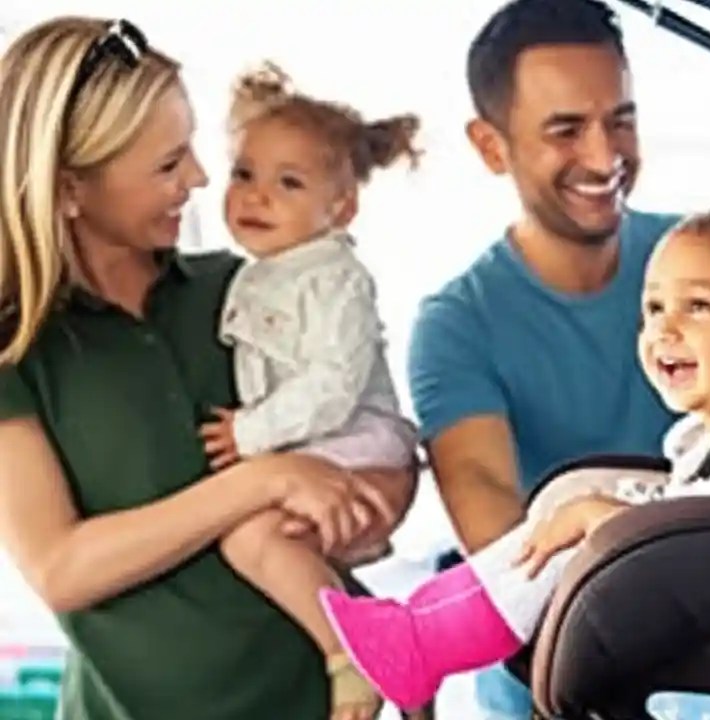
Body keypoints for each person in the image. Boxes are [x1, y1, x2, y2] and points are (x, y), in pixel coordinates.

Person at [0, 18, 415, 720]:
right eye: (168, 165)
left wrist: (379, 492)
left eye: (191, 149)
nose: (198, 178)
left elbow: (375, 439)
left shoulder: (248, 291)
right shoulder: (15, 352)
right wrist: (262, 480)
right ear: (69, 189)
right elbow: (60, 569)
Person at [331, 201, 710, 712]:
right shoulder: (707, 440)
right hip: (671, 608)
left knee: (579, 523)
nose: (665, 329)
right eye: (654, 308)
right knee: (566, 509)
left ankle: (425, 640)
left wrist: (606, 520)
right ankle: (420, 630)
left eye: (699, 306)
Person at [406, 2, 680, 711]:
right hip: (555, 672)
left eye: (621, 120)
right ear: (490, 146)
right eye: (566, 130)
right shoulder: (456, 325)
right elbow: (505, 545)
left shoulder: (702, 261)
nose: (605, 156)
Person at [194, 62, 423, 720]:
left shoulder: (334, 279)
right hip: (316, 444)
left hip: (354, 438)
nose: (256, 197)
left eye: (288, 183)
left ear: (341, 207)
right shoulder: (259, 273)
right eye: (244, 174)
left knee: (251, 539)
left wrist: (251, 436)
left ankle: (349, 652)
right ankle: (394, 640)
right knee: (275, 543)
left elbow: (333, 385)